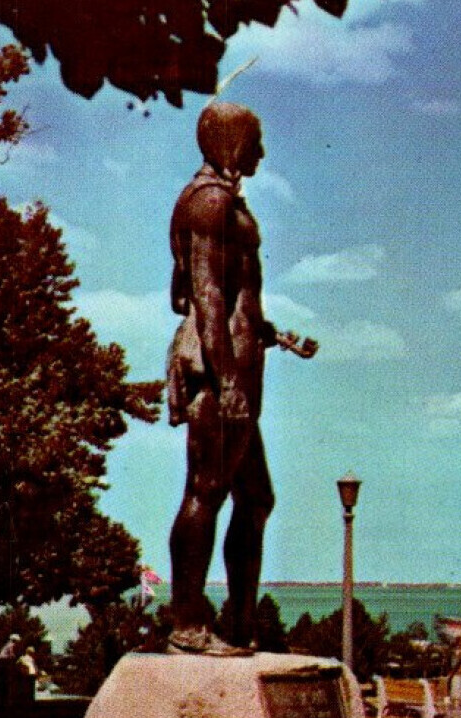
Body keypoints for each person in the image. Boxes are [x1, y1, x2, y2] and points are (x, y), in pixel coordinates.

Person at [165, 102, 315, 656]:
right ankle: (187, 624)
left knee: (255, 499)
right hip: (220, 372)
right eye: (255, 141)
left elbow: (233, 296)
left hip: (239, 366)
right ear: (230, 141)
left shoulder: (224, 201)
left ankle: (241, 625)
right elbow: (205, 295)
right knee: (206, 489)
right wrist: (226, 379)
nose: (262, 153)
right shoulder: (209, 204)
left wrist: (268, 332)